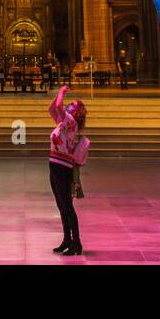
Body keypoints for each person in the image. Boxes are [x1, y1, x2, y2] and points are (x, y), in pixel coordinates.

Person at [48, 84, 90, 256]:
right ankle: (67, 240)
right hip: (54, 165)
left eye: (70, 105)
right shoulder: (63, 124)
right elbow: (52, 108)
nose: (67, 106)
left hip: (62, 167)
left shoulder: (71, 123)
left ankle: (76, 243)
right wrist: (58, 94)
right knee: (61, 205)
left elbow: (58, 107)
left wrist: (62, 91)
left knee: (67, 206)